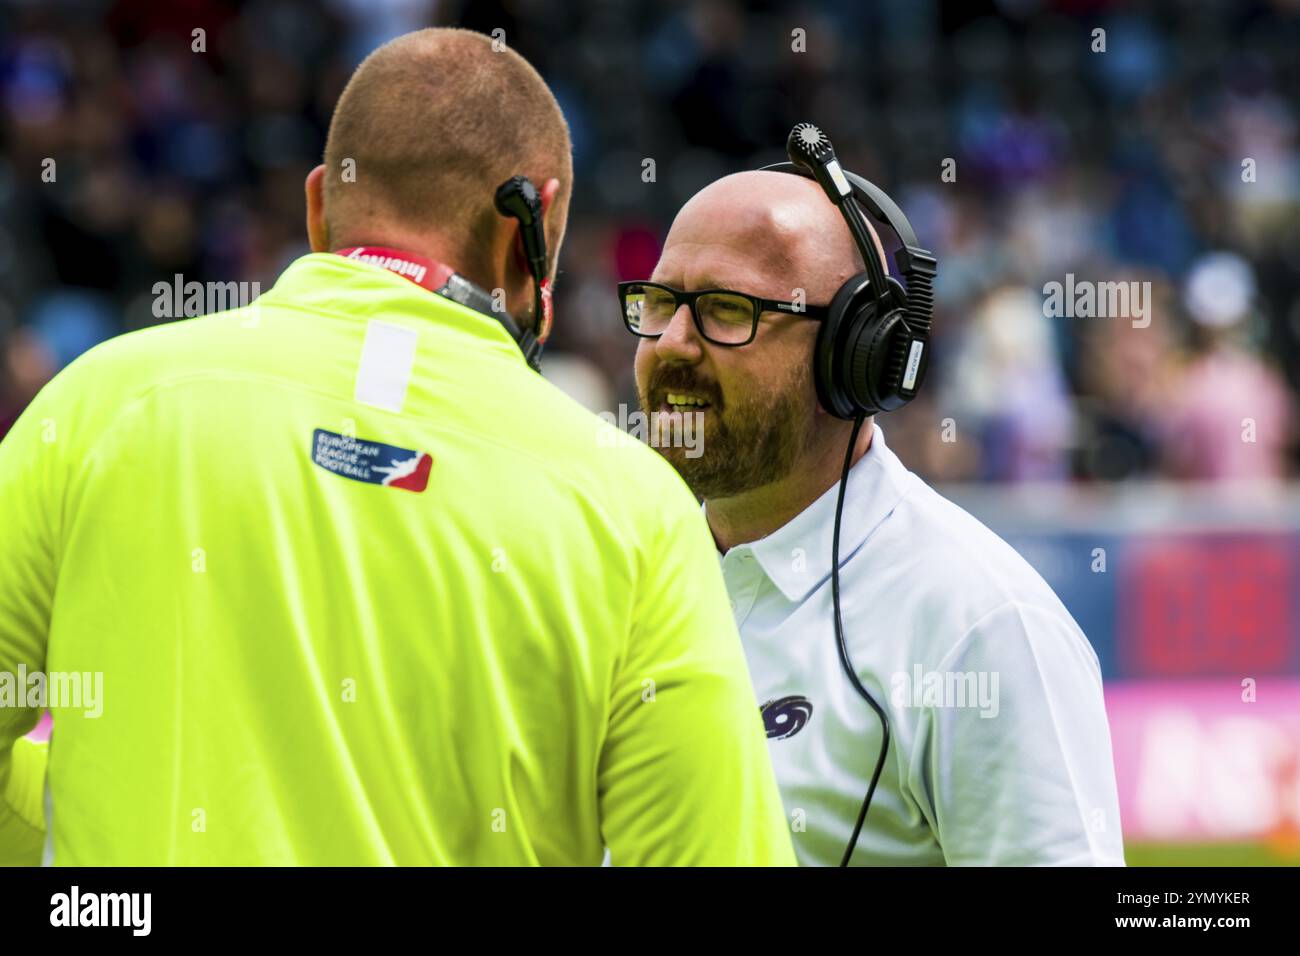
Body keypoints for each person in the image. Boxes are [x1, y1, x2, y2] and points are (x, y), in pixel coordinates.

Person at [0, 28, 794, 866]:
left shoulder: (100, 403)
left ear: (318, 205)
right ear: (535, 222)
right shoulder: (634, 508)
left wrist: (69, 817)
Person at [624, 165, 1125, 866]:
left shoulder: (981, 623)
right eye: (656, 302)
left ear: (854, 354)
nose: (671, 342)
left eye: (725, 309)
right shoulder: (621, 584)